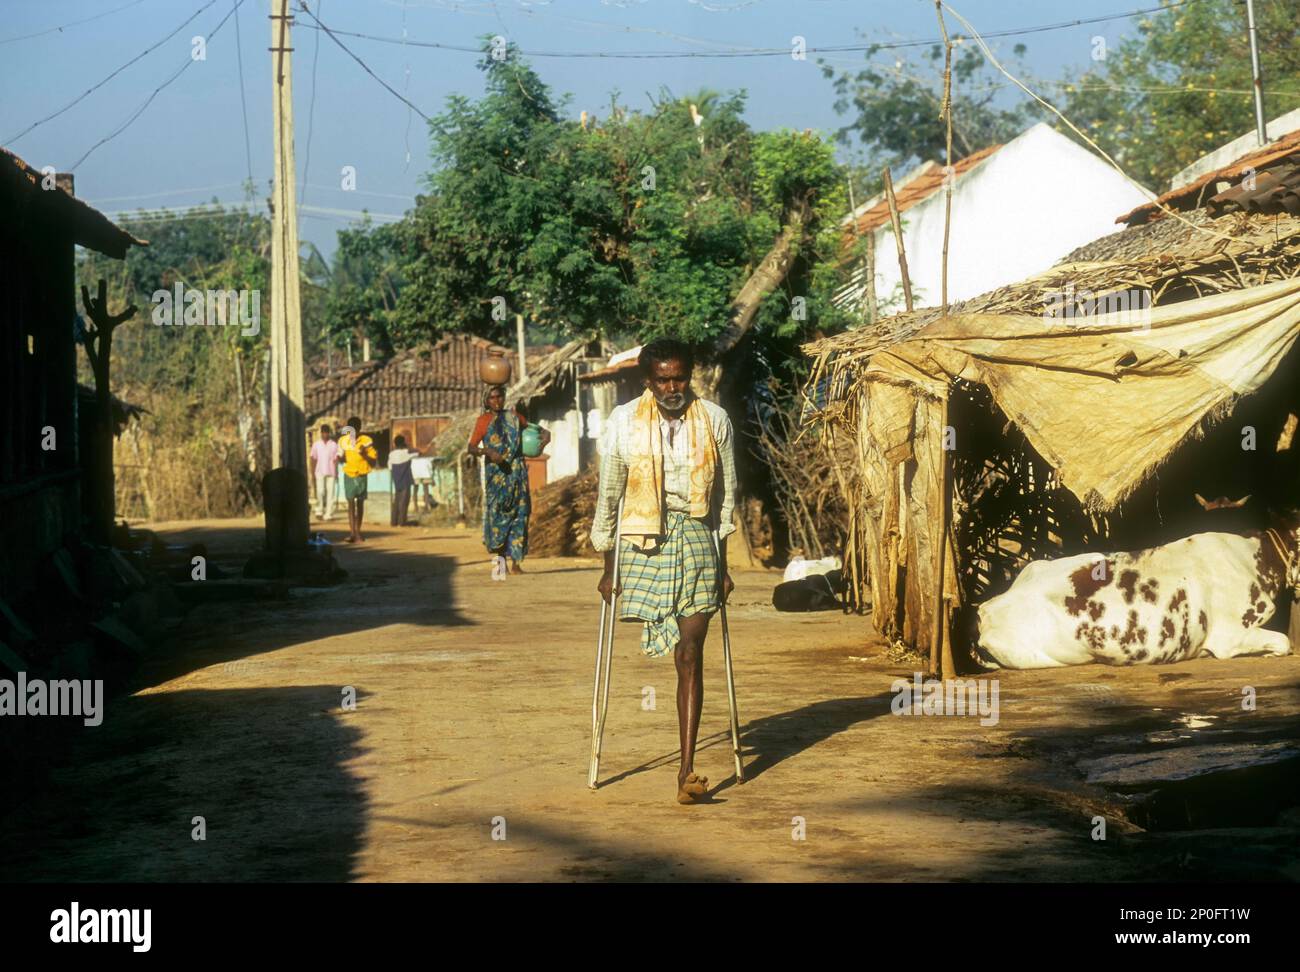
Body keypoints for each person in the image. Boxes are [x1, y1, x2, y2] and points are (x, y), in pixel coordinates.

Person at [589, 338, 737, 805]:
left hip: (696, 535)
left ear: (689, 375)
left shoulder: (714, 420)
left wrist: (724, 564)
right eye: (662, 379)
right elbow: (610, 493)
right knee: (674, 649)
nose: (672, 387)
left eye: (679, 378)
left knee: (690, 652)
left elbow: (727, 496)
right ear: (647, 380)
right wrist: (607, 562)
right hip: (641, 537)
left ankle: (686, 770)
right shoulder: (624, 423)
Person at [467, 385, 550, 576]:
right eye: (493, 398)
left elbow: (537, 429)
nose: (497, 401)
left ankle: (516, 564)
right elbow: (470, 447)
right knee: (497, 517)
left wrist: (545, 437)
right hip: (496, 476)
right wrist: (486, 451)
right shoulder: (483, 421)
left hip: (517, 474)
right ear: (486, 401)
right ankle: (499, 564)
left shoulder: (514, 418)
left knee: (520, 516)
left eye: (500, 397)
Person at [336, 416, 378, 543]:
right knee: (350, 504)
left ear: (359, 429)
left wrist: (364, 453)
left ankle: (358, 531)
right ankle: (352, 533)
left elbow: (373, 461)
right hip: (349, 474)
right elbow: (340, 457)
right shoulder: (343, 441)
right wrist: (340, 458)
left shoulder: (366, 441)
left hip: (362, 474)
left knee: (359, 504)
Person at [309, 424, 339, 521]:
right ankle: (319, 511)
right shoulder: (316, 444)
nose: (325, 434)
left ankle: (328, 514)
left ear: (329, 433)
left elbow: (336, 458)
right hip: (319, 470)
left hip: (331, 471)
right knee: (320, 491)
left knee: (331, 493)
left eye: (327, 432)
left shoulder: (333, 444)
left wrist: (337, 471)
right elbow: (313, 458)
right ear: (321, 433)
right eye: (323, 432)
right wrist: (312, 472)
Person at [388, 434, 417, 527]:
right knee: (404, 502)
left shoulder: (391, 454)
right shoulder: (406, 453)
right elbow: (417, 454)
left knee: (396, 501)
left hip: (396, 480)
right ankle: (402, 522)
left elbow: (389, 466)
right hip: (405, 480)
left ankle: (394, 521)